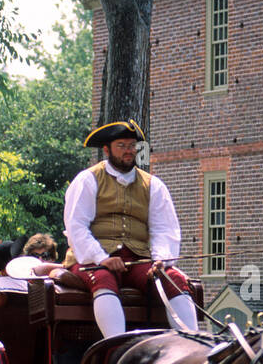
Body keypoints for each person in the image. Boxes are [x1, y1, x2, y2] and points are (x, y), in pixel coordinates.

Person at [62, 119, 198, 337]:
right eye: (122, 146)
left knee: (174, 279)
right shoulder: (88, 180)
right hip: (92, 261)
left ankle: (194, 341)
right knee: (104, 279)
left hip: (138, 260)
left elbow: (164, 229)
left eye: (131, 146)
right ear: (107, 150)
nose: (128, 151)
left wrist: (161, 259)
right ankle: (116, 345)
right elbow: (76, 226)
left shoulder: (153, 185)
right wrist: (101, 258)